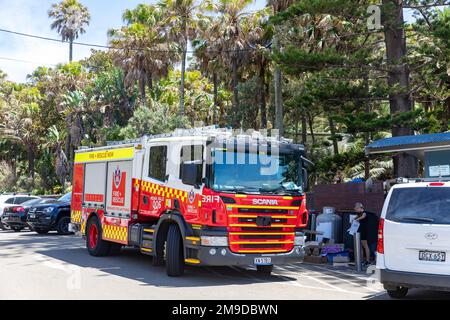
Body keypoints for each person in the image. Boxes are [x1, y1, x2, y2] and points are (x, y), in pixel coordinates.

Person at [354, 202, 371, 267]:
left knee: (365, 245)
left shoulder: (364, 212)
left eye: (356, 209)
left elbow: (363, 216)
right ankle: (360, 260)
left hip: (364, 231)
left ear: (359, 208)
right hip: (359, 231)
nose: (355, 210)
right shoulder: (358, 214)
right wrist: (354, 219)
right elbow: (356, 217)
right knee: (359, 246)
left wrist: (357, 219)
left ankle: (367, 260)